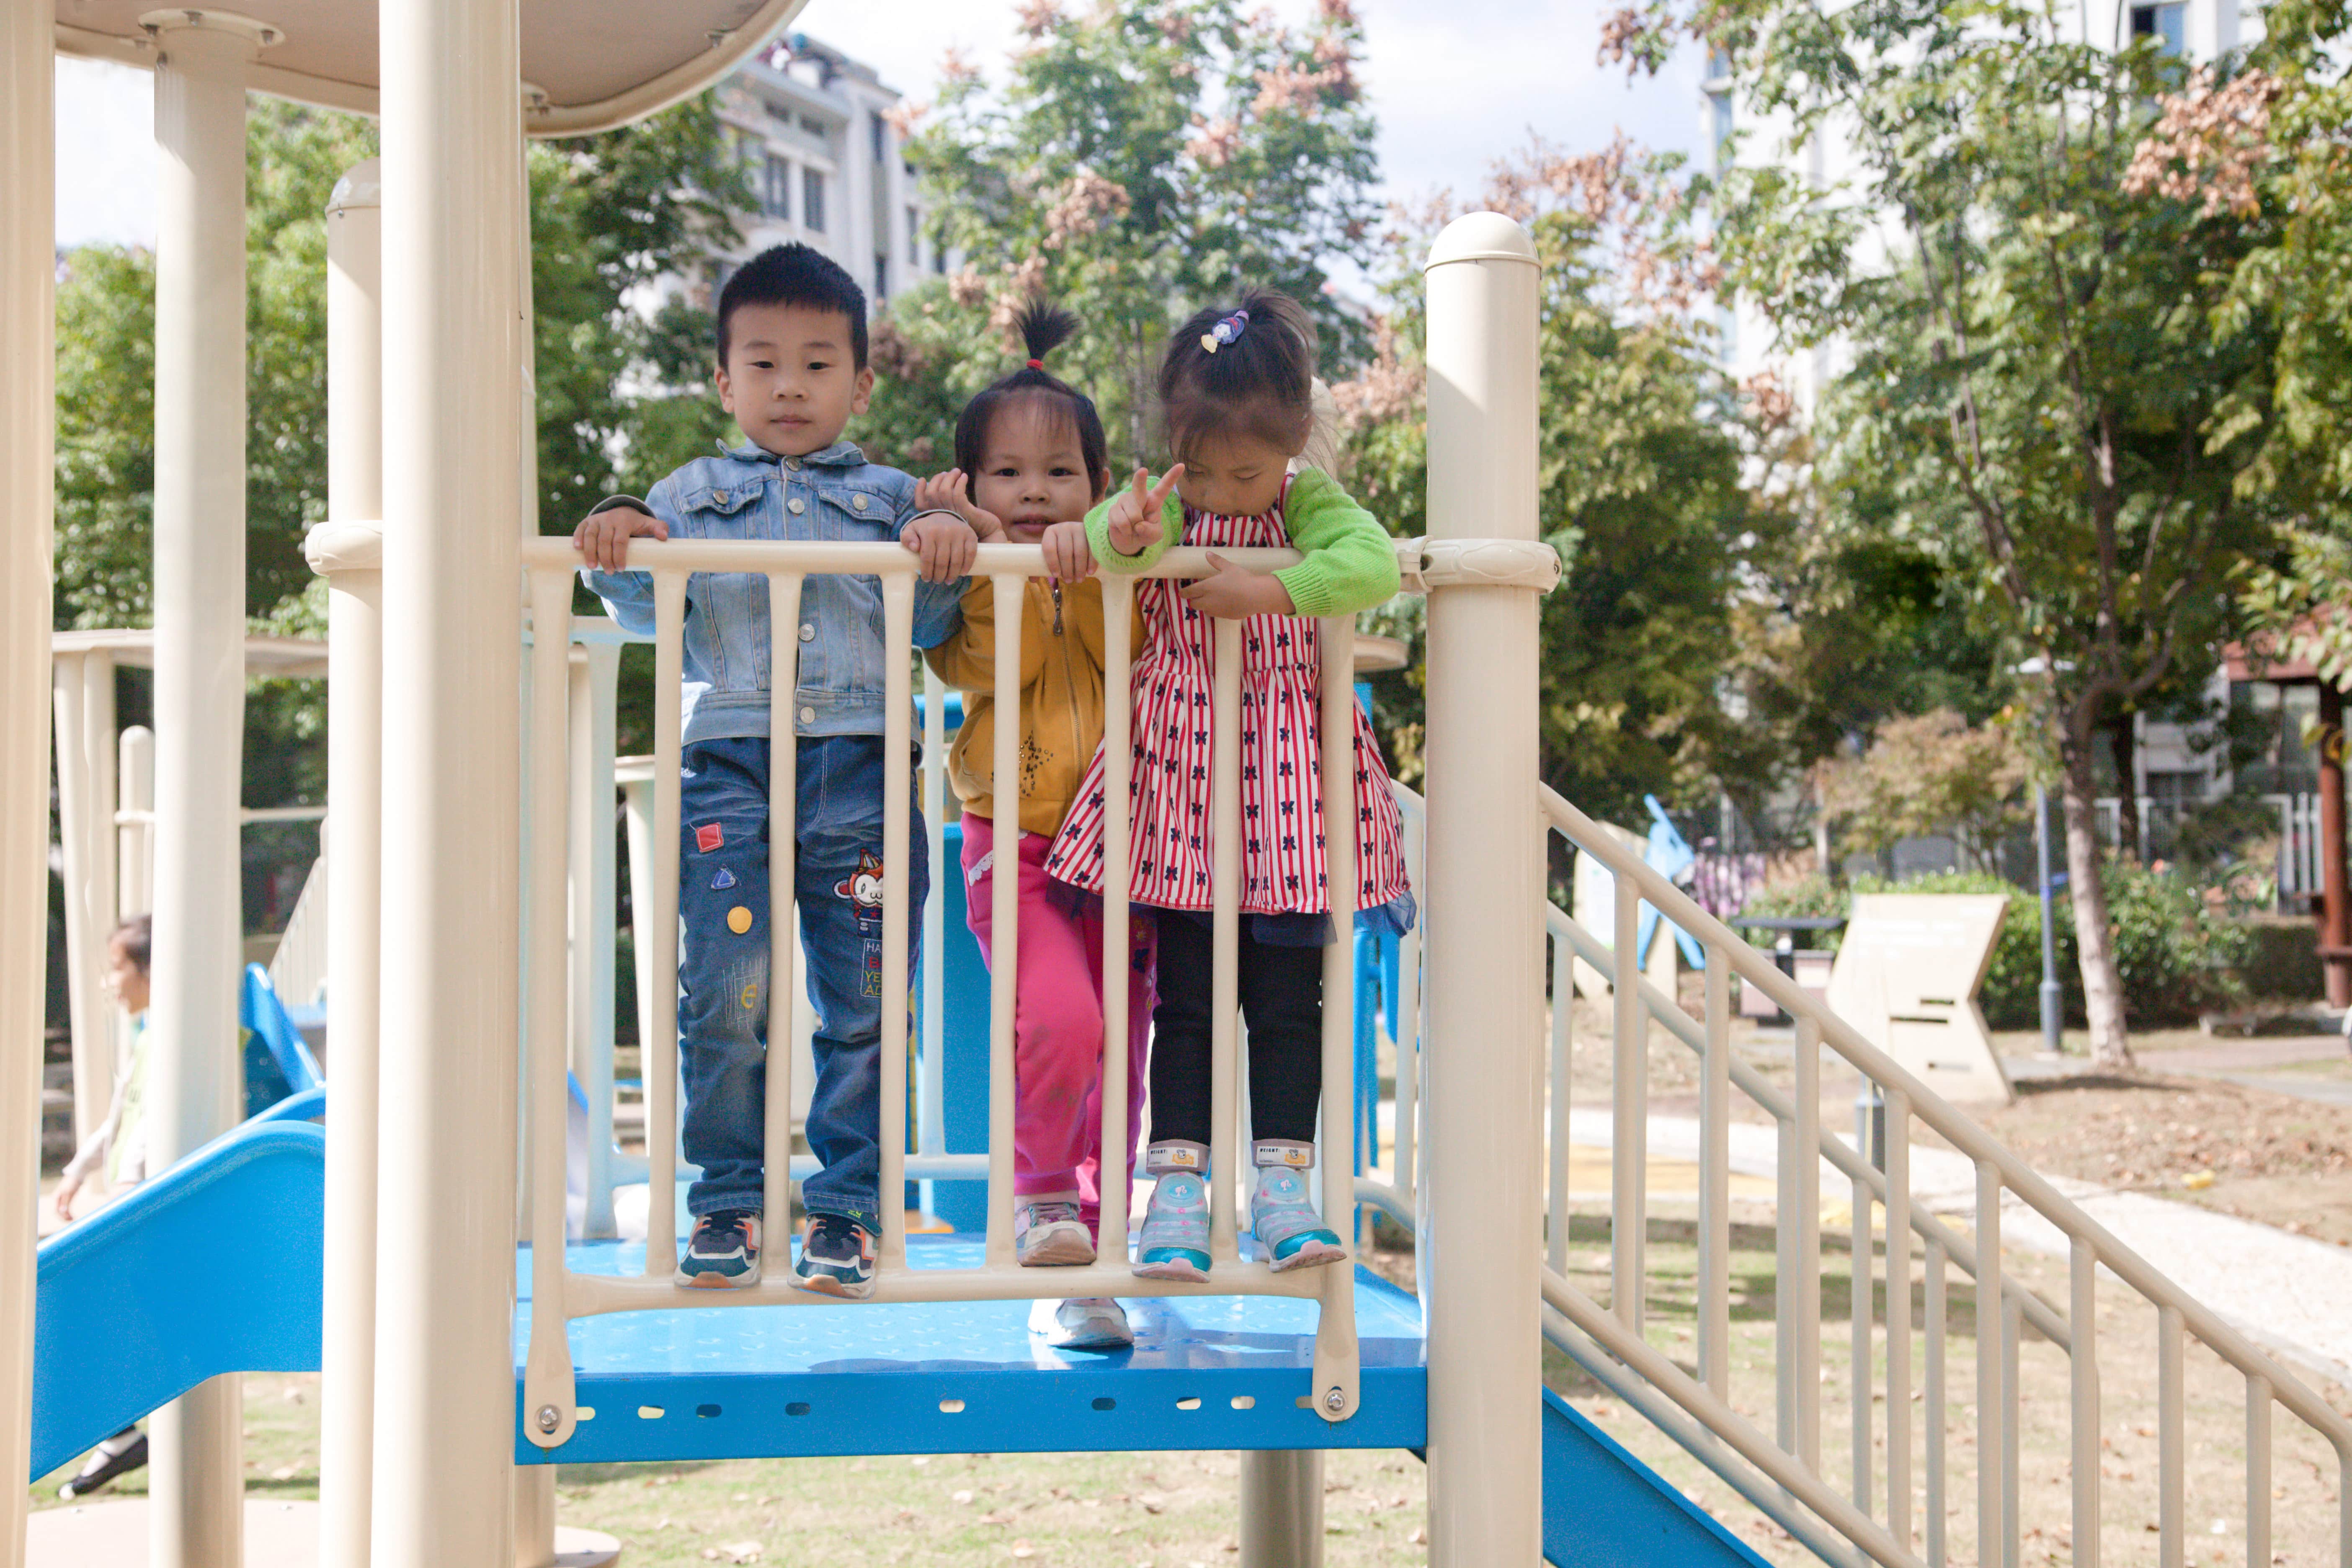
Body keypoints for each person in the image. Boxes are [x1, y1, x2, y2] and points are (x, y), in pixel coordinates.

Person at [574, 242, 979, 1298]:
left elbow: (930, 624)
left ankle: (844, 1206)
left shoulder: (895, 498)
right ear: (724, 381)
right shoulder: (689, 493)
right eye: (763, 364)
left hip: (861, 766)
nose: (789, 386)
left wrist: (944, 540)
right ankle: (727, 1198)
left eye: (816, 363)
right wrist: (617, 541)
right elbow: (654, 614)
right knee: (724, 990)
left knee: (867, 995)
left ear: (860, 381)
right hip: (732, 763)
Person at [1046, 289, 1413, 1282]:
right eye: (1200, 466)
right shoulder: (1174, 501)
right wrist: (1128, 528)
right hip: (1185, 789)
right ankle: (1176, 1189)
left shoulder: (1311, 506)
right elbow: (1117, 547)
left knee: (1290, 999)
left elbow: (1371, 564)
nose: (1218, 491)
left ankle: (1284, 1189)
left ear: (1291, 445)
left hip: (1289, 794)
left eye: (1243, 471)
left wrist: (1272, 585)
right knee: (1189, 1001)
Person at [917, 303, 1155, 1349]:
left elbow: (1131, 656)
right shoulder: (970, 576)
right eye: (1007, 476)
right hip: (1010, 839)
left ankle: (1089, 1266)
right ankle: (1041, 1201)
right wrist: (990, 564)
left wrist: (1103, 566)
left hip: (1127, 845)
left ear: (1097, 487)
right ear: (970, 489)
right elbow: (990, 670)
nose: (1034, 494)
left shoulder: (1123, 568)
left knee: (1125, 1054)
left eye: (1060, 473)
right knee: (1060, 1021)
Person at [53, 913, 154, 1496]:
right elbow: (121, 1117)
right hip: (128, 1195)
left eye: (116, 968)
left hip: (142, 1200)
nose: (107, 981)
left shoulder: (177, 1037)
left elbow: (150, 1132)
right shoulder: (146, 1037)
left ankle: (118, 1433)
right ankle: (119, 1433)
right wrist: (77, 1172)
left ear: (148, 969)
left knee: (89, 1304)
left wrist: (128, 1191)